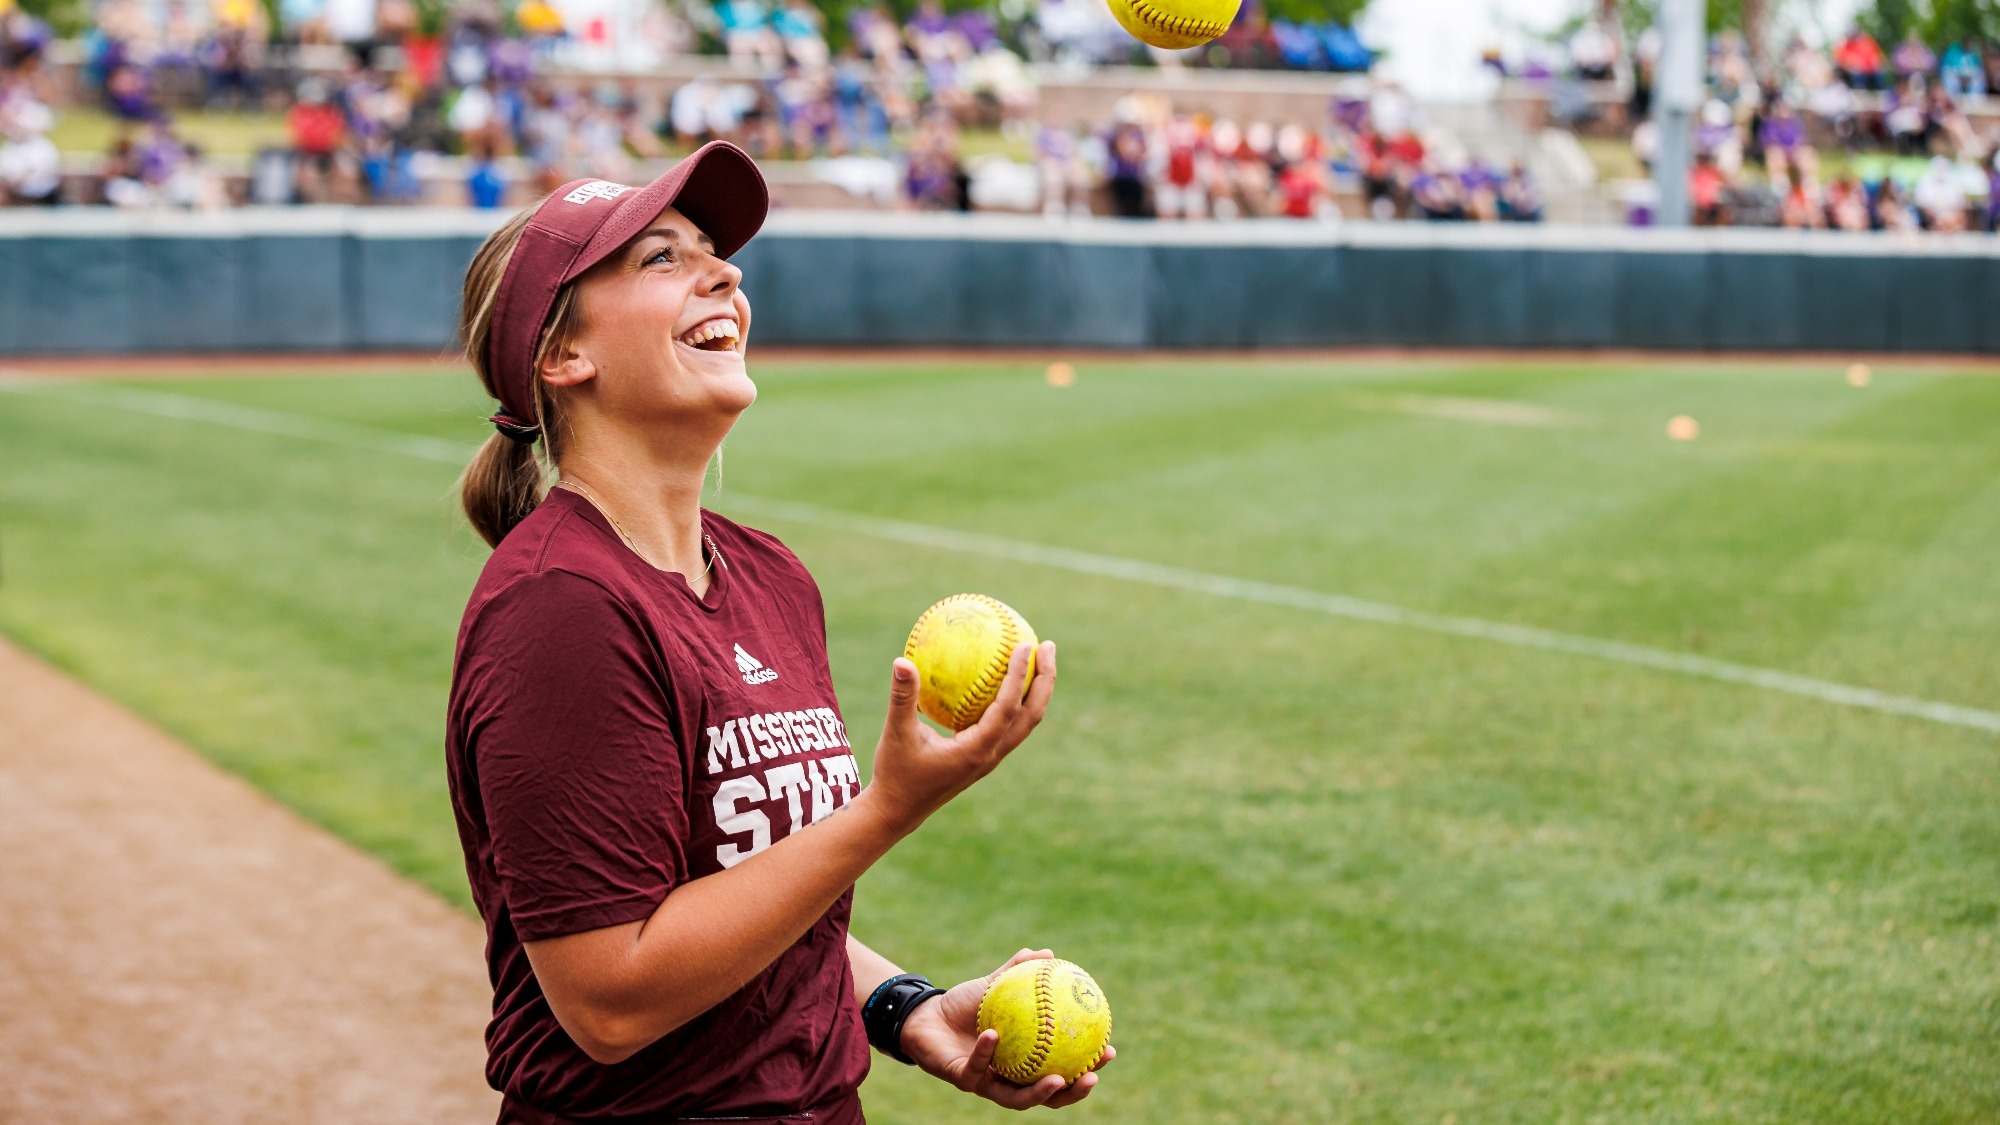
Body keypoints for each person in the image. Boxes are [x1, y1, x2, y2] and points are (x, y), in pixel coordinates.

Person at [445, 141, 1111, 1125]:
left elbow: (744, 897)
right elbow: (611, 999)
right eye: (662, 257)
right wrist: (886, 810)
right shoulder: (559, 607)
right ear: (561, 355)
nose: (725, 271)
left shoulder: (768, 576)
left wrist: (903, 1008)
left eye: (715, 251)